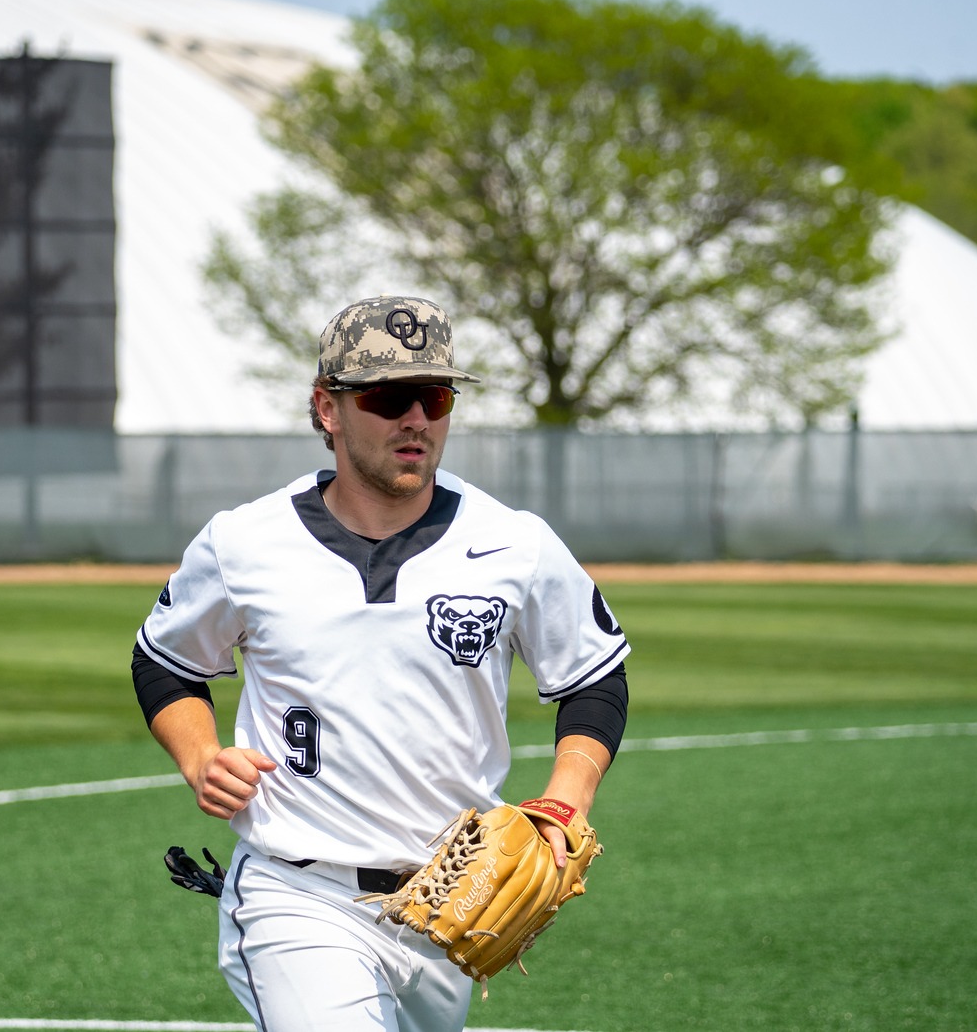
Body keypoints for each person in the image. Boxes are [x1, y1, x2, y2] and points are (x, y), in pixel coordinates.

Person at [130, 295, 630, 1032]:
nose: (417, 419)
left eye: (435, 397)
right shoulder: (244, 542)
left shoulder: (514, 543)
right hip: (298, 895)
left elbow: (594, 677)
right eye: (389, 397)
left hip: (451, 908)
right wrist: (201, 756)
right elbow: (165, 660)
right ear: (326, 408)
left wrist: (566, 798)